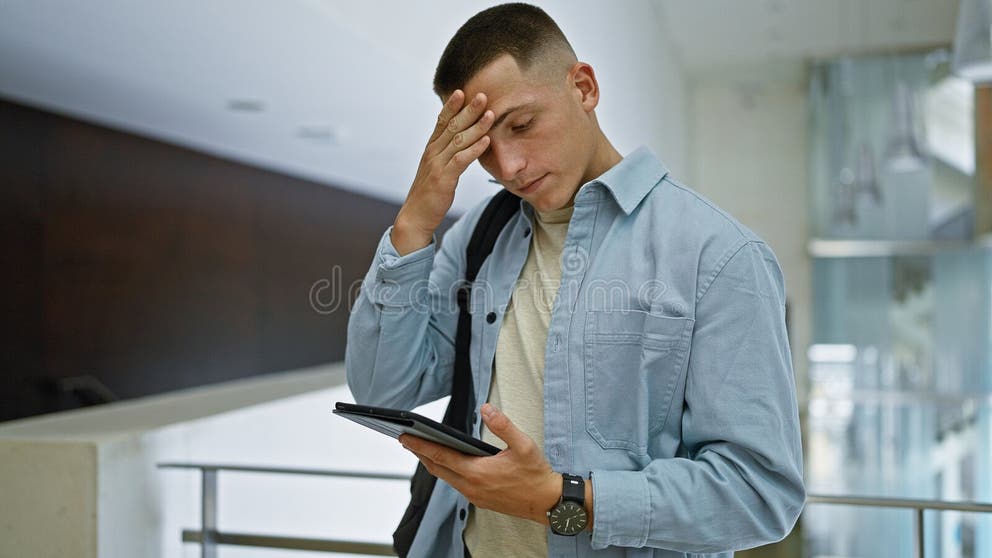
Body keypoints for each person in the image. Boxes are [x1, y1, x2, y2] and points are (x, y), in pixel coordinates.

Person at [345, 3, 805, 557]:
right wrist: (415, 221)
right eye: (484, 148)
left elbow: (760, 494)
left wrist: (561, 498)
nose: (509, 166)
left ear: (584, 87)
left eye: (521, 125)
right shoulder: (477, 239)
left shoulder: (721, 257)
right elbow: (382, 388)